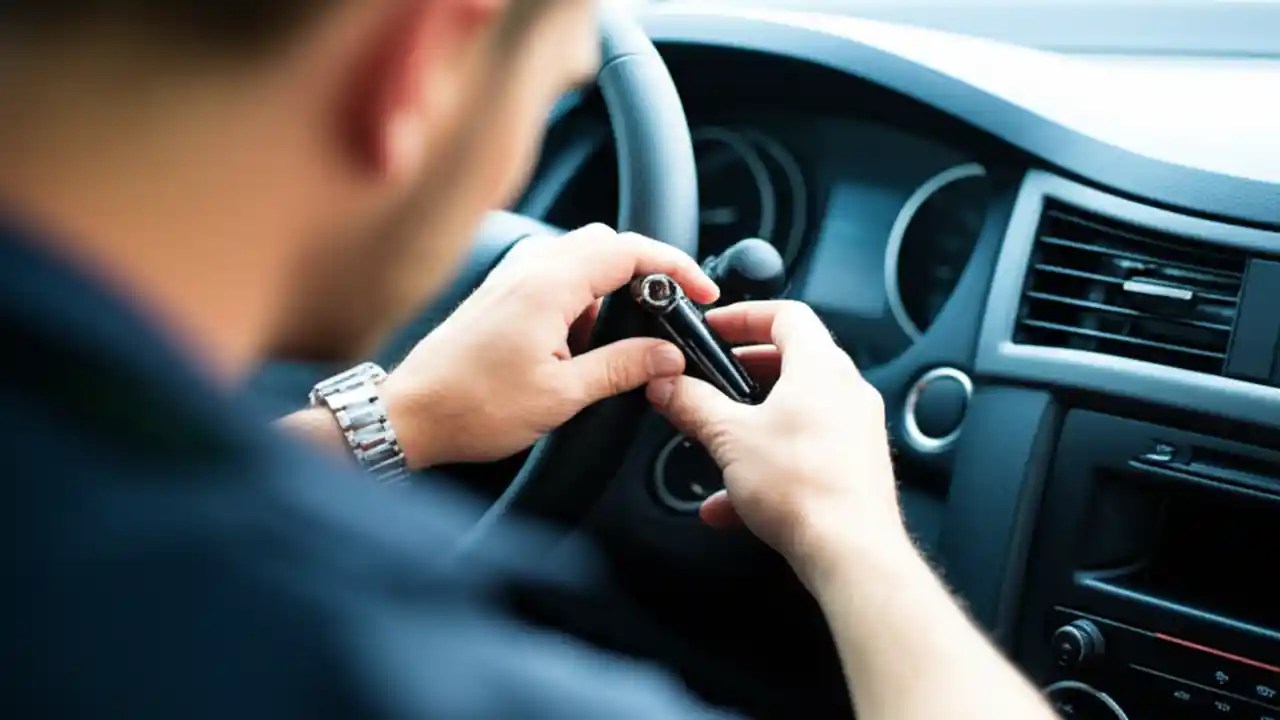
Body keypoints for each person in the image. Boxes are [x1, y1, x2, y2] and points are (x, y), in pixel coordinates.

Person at [2, 1, 1057, 718]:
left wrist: (402, 416)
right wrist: (852, 536)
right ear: (416, 66)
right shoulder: (366, 661)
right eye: (552, 88)